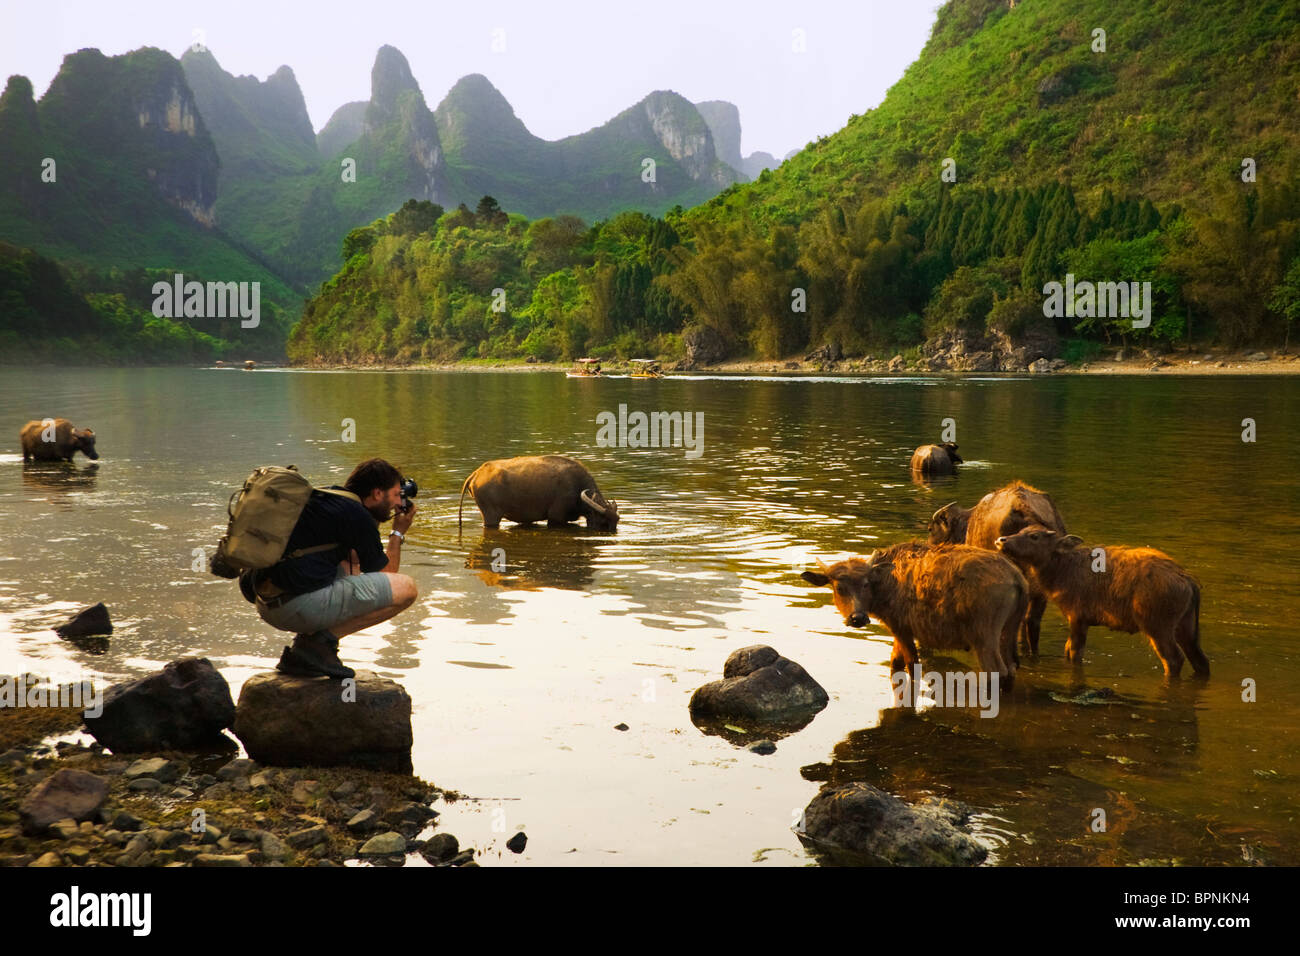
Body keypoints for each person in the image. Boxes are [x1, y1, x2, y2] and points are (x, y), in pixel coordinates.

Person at [242, 458, 418, 678]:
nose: (397, 503)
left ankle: (304, 652)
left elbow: (357, 560)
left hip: (267, 602)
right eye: (394, 495)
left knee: (350, 562)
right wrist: (398, 532)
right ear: (376, 494)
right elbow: (388, 575)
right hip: (294, 608)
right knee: (407, 589)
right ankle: (317, 646)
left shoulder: (328, 497)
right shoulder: (357, 515)